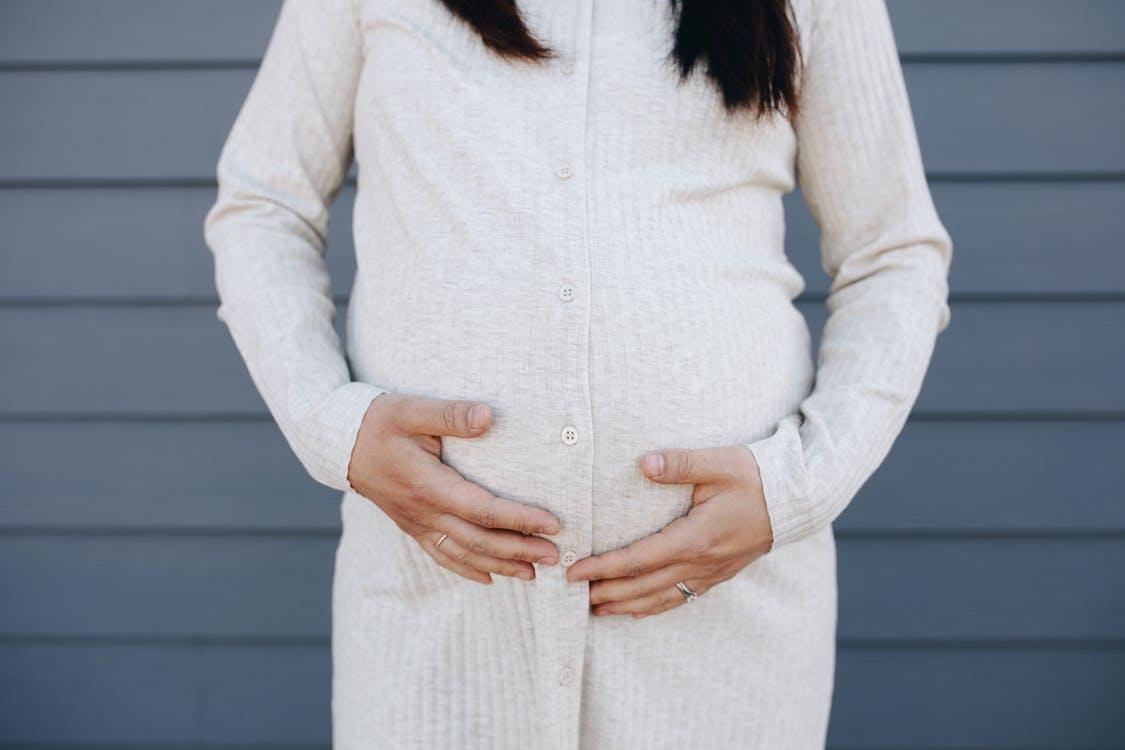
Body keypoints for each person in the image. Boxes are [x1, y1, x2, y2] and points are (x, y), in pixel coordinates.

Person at [202, 0, 953, 747]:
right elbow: (265, 205)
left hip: (724, 635)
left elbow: (892, 253)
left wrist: (798, 488)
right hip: (438, 626)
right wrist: (333, 427)